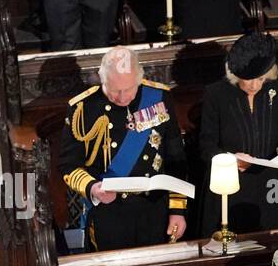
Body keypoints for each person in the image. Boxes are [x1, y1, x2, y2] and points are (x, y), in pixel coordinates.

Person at [59, 47, 188, 251]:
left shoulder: (159, 97)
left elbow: (176, 160)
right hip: (109, 212)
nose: (122, 97)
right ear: (102, 79)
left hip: (154, 210)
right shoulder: (83, 108)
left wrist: (177, 210)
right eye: (114, 89)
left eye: (128, 89)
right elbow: (68, 166)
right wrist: (93, 187)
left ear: (139, 79)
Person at [198, 32, 278, 236]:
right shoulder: (216, 94)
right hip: (230, 180)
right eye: (248, 79)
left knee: (273, 240)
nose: (254, 85)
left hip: (270, 180)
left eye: (260, 79)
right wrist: (231, 160)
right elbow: (206, 147)